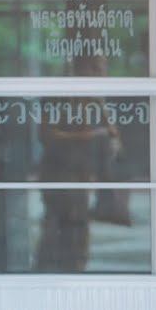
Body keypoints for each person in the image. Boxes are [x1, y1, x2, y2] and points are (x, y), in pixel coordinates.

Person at [35, 53, 120, 272]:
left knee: (79, 226)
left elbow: (113, 137)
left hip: (82, 173)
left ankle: (76, 271)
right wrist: (90, 136)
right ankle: (46, 274)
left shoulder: (95, 101)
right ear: (81, 70)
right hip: (58, 171)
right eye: (97, 69)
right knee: (55, 225)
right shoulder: (58, 97)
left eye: (103, 70)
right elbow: (45, 134)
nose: (103, 75)